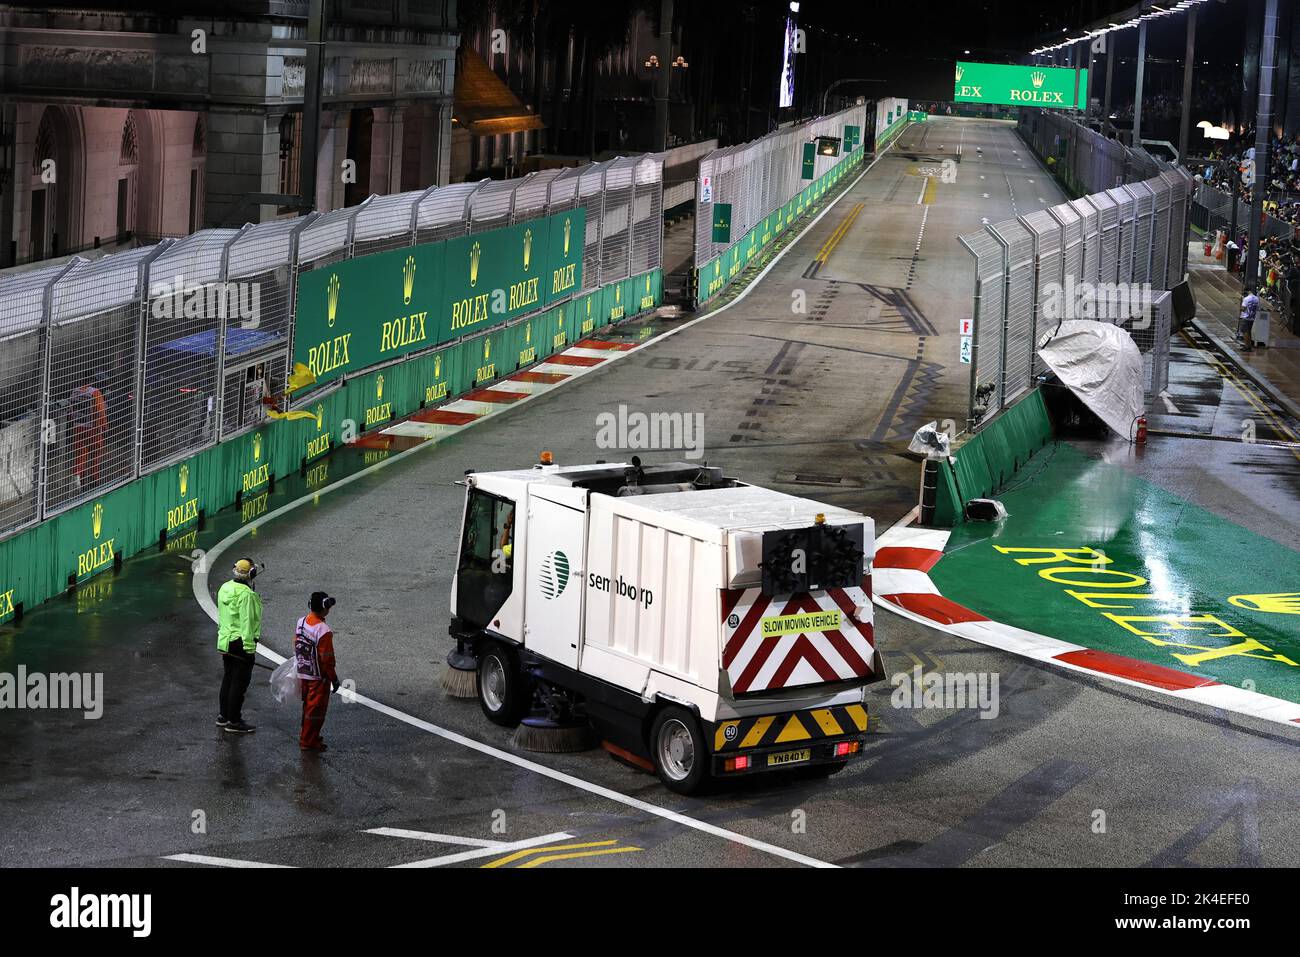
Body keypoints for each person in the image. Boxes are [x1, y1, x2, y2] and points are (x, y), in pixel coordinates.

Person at [217, 559, 263, 733]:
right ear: (250, 574)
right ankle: (234, 721)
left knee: (228, 679)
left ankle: (223, 716)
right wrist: (249, 649)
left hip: (225, 640)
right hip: (240, 643)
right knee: (239, 683)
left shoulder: (225, 588)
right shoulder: (247, 595)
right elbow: (248, 623)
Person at [295, 592, 339, 752]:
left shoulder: (301, 622)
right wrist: (334, 678)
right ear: (324, 608)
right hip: (318, 677)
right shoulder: (323, 630)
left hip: (303, 672)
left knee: (307, 707)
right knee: (316, 710)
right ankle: (308, 741)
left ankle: (309, 735)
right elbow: (327, 659)